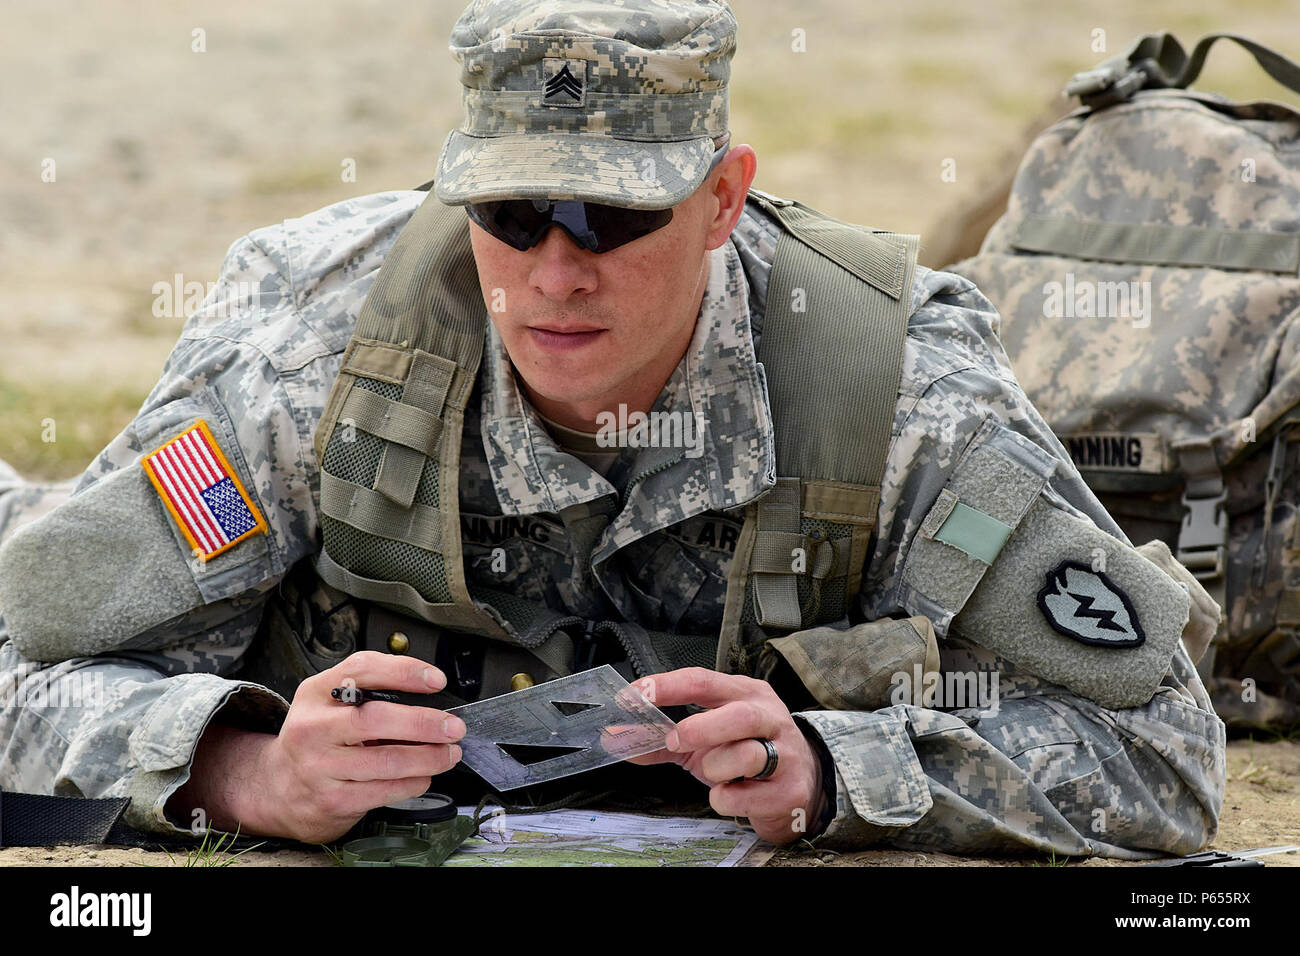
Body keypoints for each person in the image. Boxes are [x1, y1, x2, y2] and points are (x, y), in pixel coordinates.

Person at [0, 0, 1225, 858]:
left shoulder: (895, 392)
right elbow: (27, 654)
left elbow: (1163, 750)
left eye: (611, 217)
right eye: (512, 210)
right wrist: (243, 771)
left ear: (721, 200)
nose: (554, 270)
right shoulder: (316, 351)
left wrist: (838, 770)